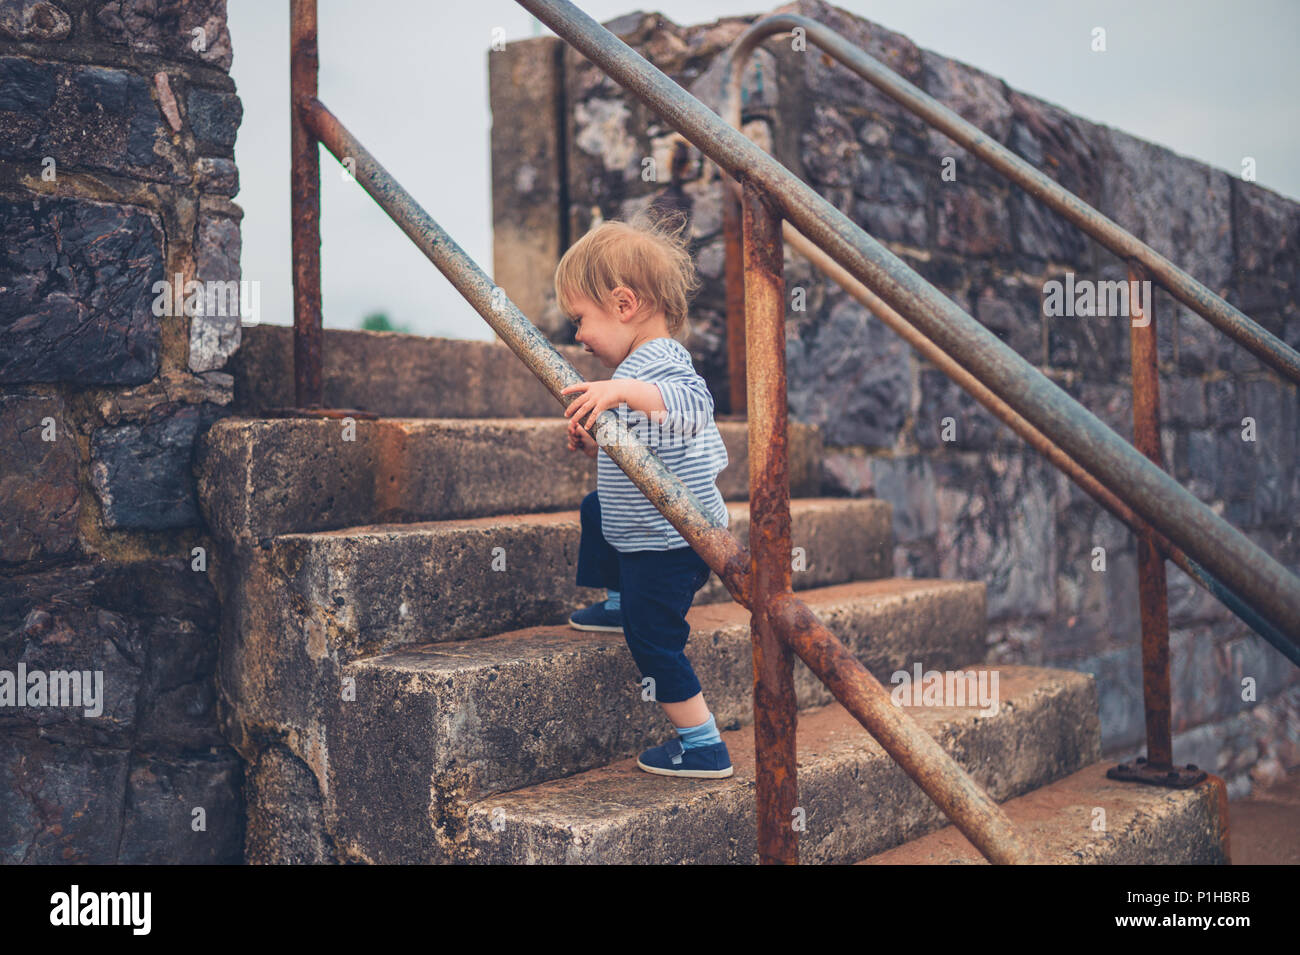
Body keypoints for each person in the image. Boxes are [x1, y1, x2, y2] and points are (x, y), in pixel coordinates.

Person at [557, 212, 732, 779]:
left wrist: (621, 390)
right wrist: (596, 441)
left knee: (653, 641)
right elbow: (644, 441)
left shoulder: (659, 362)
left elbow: (692, 409)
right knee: (595, 506)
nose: (577, 334)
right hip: (650, 528)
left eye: (581, 318)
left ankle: (702, 744)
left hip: (674, 541)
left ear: (625, 305)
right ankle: (616, 603)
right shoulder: (635, 369)